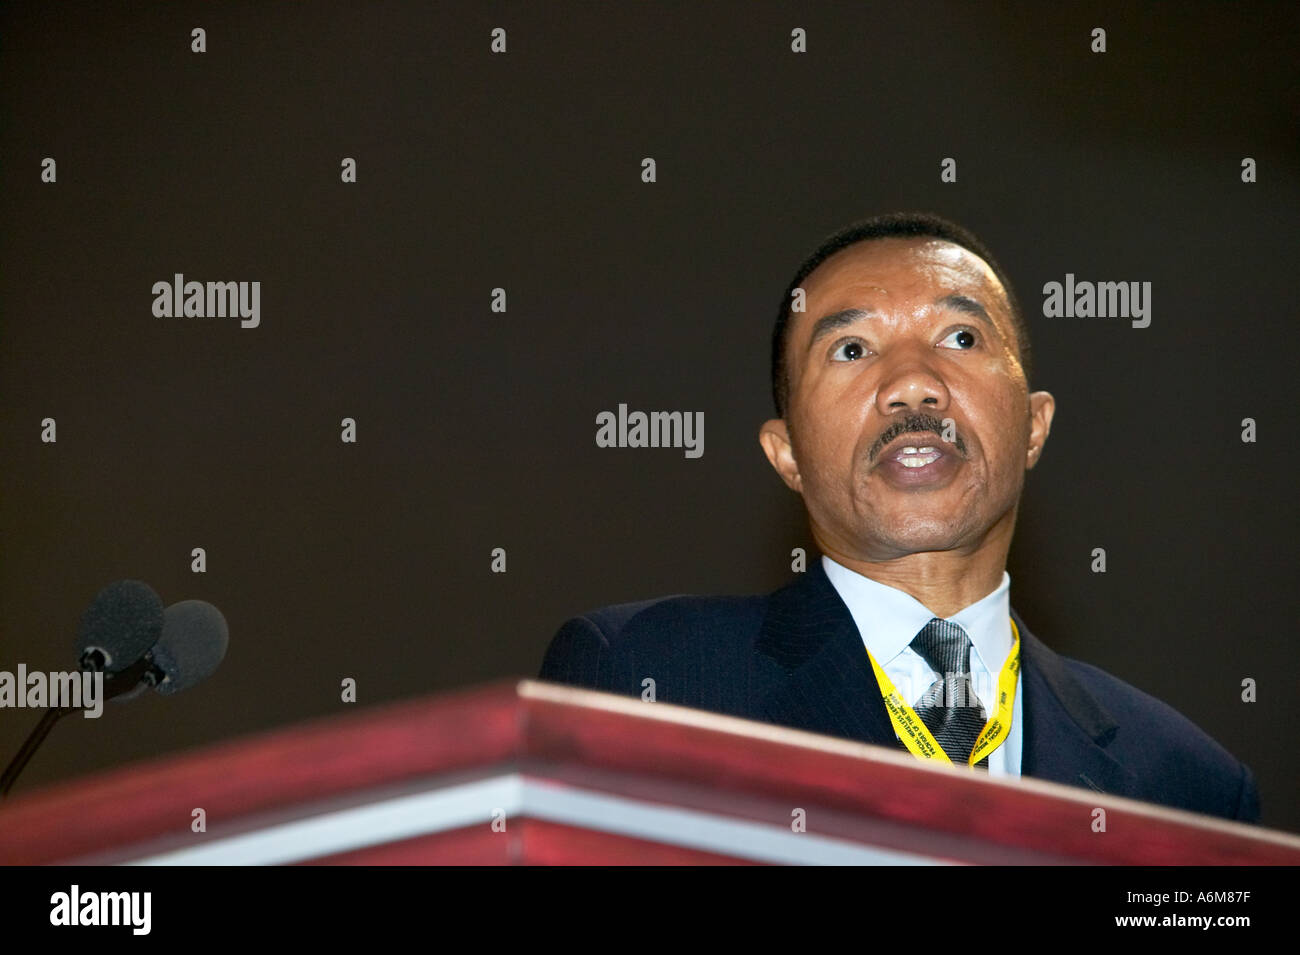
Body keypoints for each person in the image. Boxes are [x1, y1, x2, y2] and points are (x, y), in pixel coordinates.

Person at [538, 211, 1260, 824]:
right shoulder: (648, 683)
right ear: (786, 452)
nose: (913, 383)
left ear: (1034, 426)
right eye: (851, 349)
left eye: (961, 338)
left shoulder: (1187, 786)